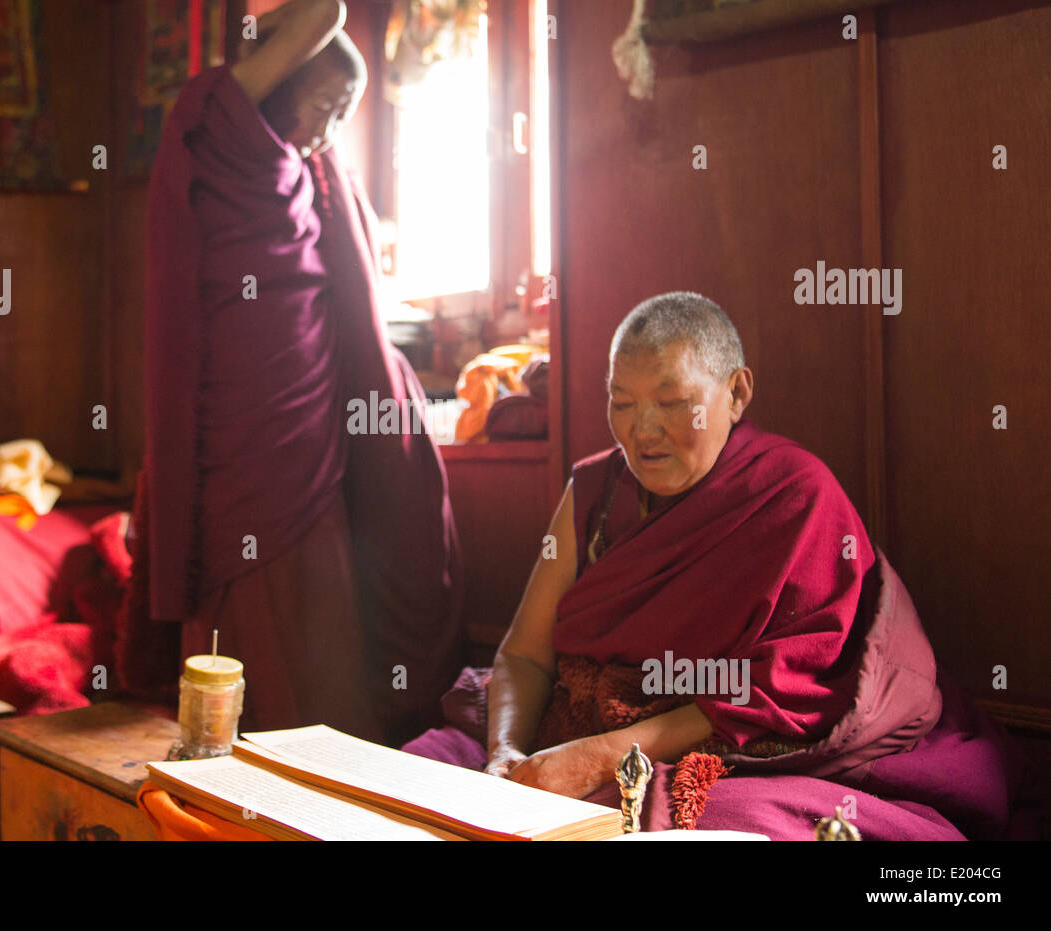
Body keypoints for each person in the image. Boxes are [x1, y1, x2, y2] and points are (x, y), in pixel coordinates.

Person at [404, 292, 1038, 839]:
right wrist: (507, 753)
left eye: (673, 401)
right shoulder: (595, 491)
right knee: (413, 777)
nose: (641, 431)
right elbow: (523, 656)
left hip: (729, 750)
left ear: (736, 393)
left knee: (718, 822)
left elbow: (772, 696)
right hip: (574, 718)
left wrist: (599, 757)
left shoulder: (795, 493)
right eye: (620, 402)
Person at [124, 0, 462, 746]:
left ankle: (323, 748)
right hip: (243, 403)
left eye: (348, 114)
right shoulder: (224, 127)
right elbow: (325, 11)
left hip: (304, 408)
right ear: (280, 82)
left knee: (317, 567)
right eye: (327, 104)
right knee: (248, 563)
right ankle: (236, 741)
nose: (331, 129)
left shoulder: (307, 170)